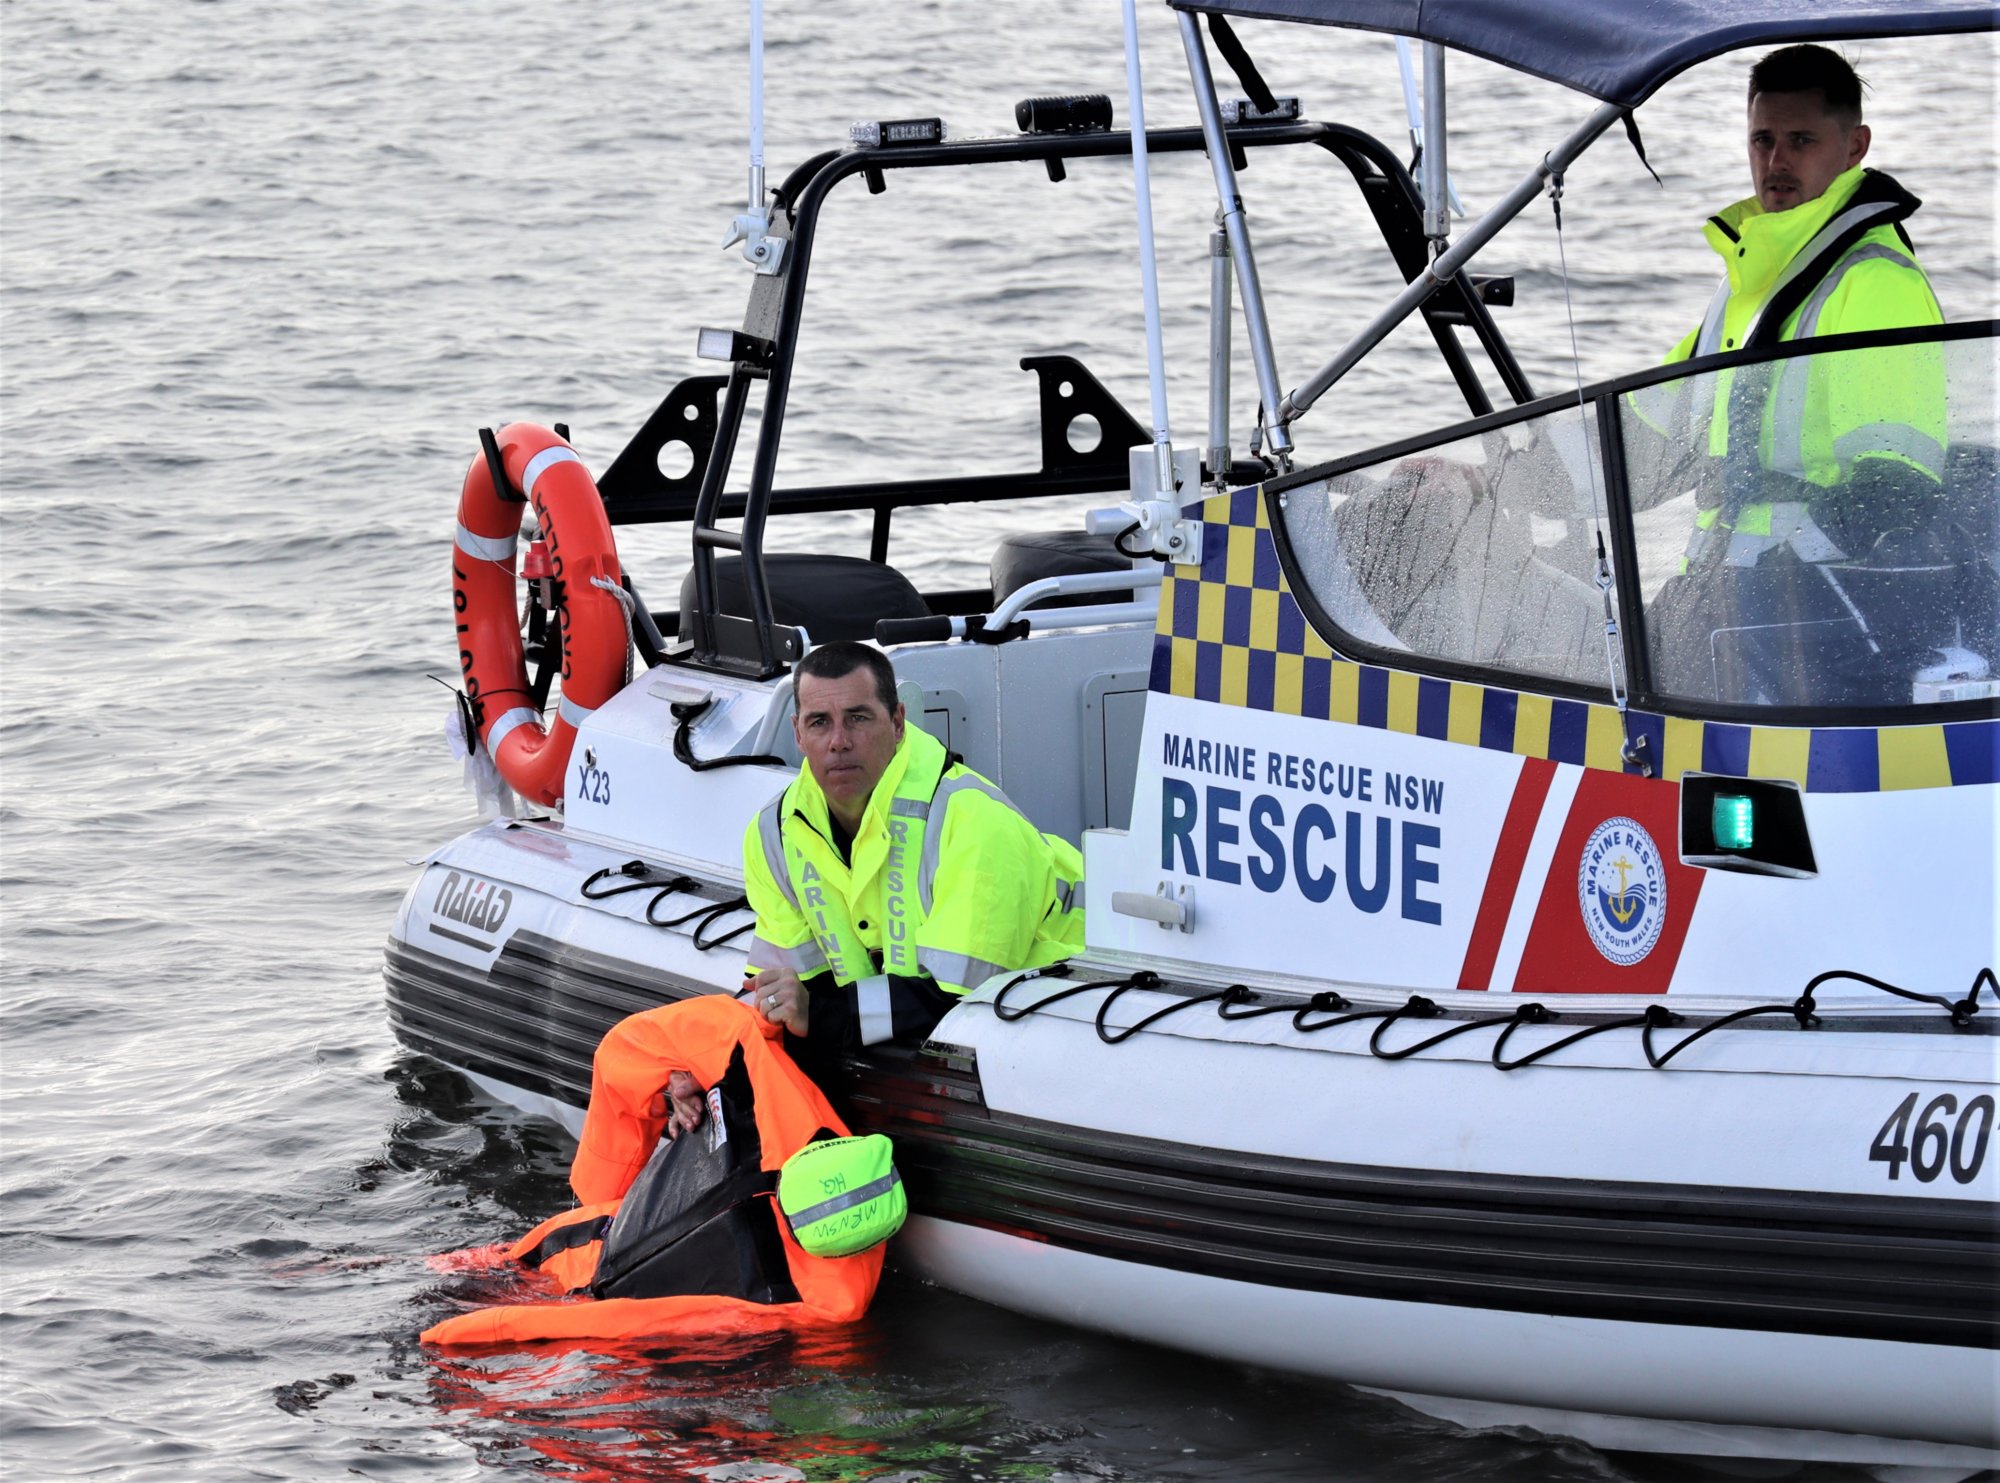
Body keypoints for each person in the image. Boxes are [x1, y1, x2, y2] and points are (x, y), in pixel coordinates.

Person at [1634, 45, 1952, 703]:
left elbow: (1895, 498)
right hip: (1730, 610)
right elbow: (1643, 442)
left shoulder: (1872, 287)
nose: (1776, 163)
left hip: (1818, 633)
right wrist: (1503, 480)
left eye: (1801, 140)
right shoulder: (1748, 284)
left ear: (1854, 145)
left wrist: (1760, 488)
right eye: (1763, 140)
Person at [656, 640, 1085, 1128]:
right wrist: (712, 1072)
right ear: (797, 733)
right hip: (908, 1028)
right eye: (820, 722)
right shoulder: (774, 833)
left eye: (858, 718)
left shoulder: (974, 821)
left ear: (898, 722)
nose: (839, 741)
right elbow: (781, 994)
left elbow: (951, 1000)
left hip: (1074, 996)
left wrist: (818, 1018)